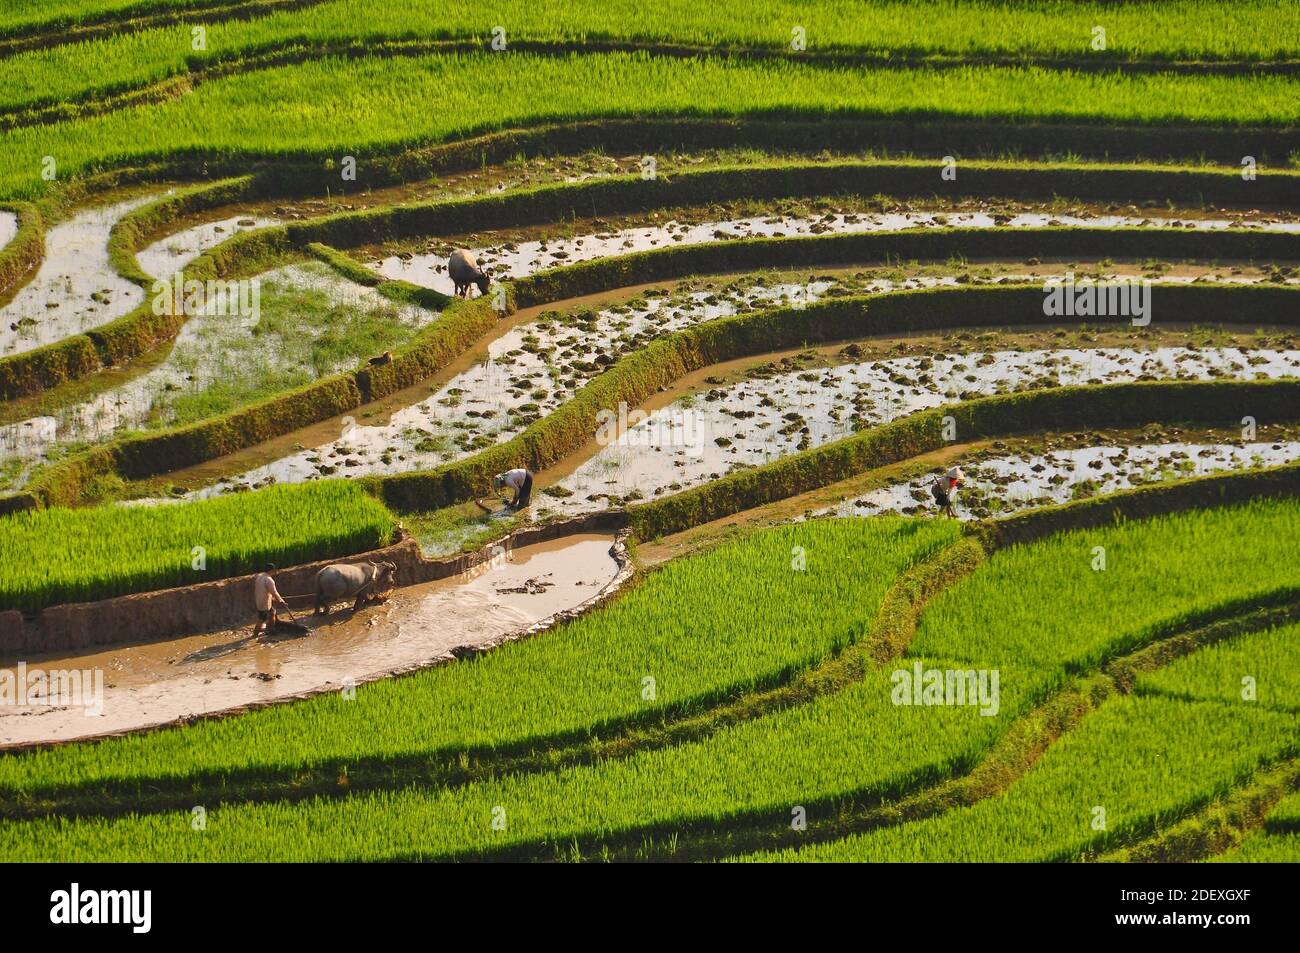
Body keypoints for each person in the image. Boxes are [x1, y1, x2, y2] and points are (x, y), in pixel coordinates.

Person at [252, 564, 290, 639]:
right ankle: (255, 634)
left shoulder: (259, 576)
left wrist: (272, 598)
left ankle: (271, 629)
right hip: (264, 603)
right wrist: (281, 600)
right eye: (274, 571)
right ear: (271, 570)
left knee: (272, 612)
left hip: (259, 600)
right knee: (261, 619)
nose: (274, 572)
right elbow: (274, 592)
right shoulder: (269, 579)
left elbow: (264, 589)